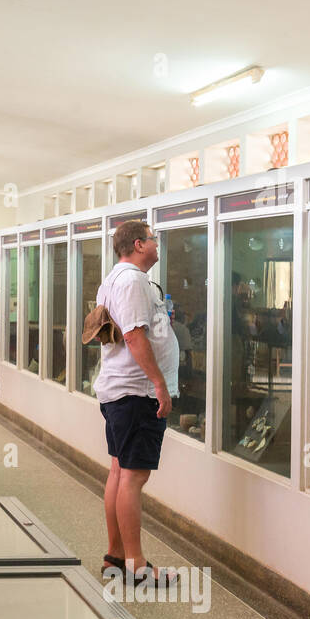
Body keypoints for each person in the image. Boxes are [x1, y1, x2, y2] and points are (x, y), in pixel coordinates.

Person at [93, 220, 180, 587]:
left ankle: (116, 556)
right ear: (139, 244)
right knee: (132, 476)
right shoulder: (130, 281)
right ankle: (136, 565)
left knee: (119, 471)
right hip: (135, 393)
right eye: (154, 240)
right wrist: (159, 383)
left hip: (123, 392)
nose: (157, 245)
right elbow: (132, 335)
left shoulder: (118, 279)